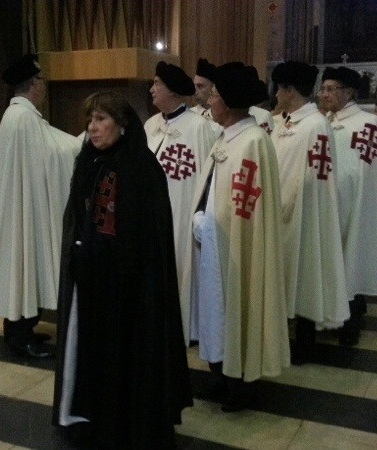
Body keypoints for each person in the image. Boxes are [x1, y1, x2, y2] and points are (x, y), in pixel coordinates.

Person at [53, 91, 192, 448]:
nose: (92, 128)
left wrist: (124, 266)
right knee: (95, 351)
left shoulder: (142, 168)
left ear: (122, 124)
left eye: (101, 119)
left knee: (130, 352)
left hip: (131, 285)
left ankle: (131, 419)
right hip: (94, 278)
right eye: (89, 120)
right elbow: (80, 217)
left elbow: (150, 238)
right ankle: (96, 413)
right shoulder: (89, 161)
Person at [188, 61, 289, 412]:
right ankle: (221, 371)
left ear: (228, 101)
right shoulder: (225, 137)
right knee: (217, 310)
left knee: (238, 306)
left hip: (236, 248)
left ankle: (242, 383)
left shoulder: (253, 141)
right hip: (216, 245)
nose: (208, 101)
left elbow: (247, 208)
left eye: (213, 94)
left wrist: (211, 222)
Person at [0, 53, 80, 359]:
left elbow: (47, 149)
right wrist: (81, 145)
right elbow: (51, 156)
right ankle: (20, 336)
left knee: (23, 268)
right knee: (23, 266)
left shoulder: (20, 116)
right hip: (23, 213)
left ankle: (22, 329)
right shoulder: (22, 118)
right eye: (42, 80)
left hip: (21, 210)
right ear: (34, 85)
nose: (44, 86)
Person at [269, 61, 349, 364]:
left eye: (279, 88)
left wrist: (291, 202)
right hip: (280, 213)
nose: (276, 94)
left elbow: (317, 176)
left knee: (304, 276)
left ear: (290, 90)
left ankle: (304, 342)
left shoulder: (316, 125)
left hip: (304, 215)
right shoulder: (285, 122)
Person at [145, 61, 218, 342]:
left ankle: (187, 326)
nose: (151, 89)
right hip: (151, 216)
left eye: (157, 84)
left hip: (183, 215)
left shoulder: (201, 128)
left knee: (183, 269)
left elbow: (209, 179)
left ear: (174, 91)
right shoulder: (150, 125)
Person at [320, 67, 377, 346]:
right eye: (322, 89)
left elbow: (366, 171)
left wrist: (352, 198)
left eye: (330, 89)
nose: (323, 94)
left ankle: (351, 320)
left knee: (351, 258)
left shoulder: (368, 122)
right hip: (329, 201)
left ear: (349, 92)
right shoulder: (321, 120)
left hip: (354, 203)